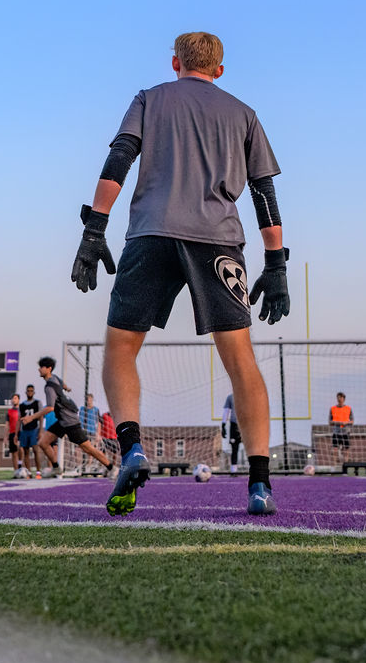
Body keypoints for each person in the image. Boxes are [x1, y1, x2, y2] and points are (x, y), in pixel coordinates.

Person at [70, 32, 288, 516]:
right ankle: (259, 484)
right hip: (218, 240)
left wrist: (94, 229)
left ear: (175, 63)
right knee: (241, 361)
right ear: (220, 70)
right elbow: (264, 195)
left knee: (121, 349)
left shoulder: (150, 98)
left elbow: (119, 159)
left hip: (151, 234)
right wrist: (276, 265)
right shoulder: (243, 112)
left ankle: (131, 448)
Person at [24, 357, 114, 479]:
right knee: (43, 442)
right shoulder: (54, 378)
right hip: (62, 421)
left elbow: (50, 408)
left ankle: (111, 468)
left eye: (41, 367)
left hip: (70, 421)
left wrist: (31, 418)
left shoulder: (49, 387)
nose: (39, 369)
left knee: (87, 448)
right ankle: (56, 468)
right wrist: (67, 388)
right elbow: (63, 384)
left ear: (48, 369)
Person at [18, 383, 43, 478]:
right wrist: (17, 433)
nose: (30, 392)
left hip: (34, 429)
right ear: (26, 392)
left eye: (31, 391)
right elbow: (19, 419)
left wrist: (40, 431)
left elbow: (40, 417)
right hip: (24, 430)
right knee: (26, 452)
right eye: (28, 391)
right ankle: (28, 473)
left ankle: (38, 472)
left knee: (36, 450)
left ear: (34, 392)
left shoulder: (37, 403)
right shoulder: (22, 405)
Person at [78, 393, 103, 475]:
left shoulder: (96, 410)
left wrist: (98, 434)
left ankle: (88, 466)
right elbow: (78, 420)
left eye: (89, 399)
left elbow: (99, 422)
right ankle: (80, 466)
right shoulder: (82, 409)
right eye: (87, 399)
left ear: (92, 400)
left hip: (91, 432)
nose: (88, 400)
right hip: (82, 432)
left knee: (90, 449)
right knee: (79, 449)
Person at [329, 392, 354, 469]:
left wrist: (346, 422)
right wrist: (337, 422)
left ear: (344, 399)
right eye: (338, 397)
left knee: (346, 451)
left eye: (341, 398)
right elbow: (330, 422)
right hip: (336, 432)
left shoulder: (348, 408)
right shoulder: (332, 409)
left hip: (345, 432)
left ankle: (345, 468)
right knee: (334, 451)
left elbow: (352, 421)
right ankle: (334, 468)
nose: (339, 399)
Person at [222, 392, 242, 472]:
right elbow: (226, 410)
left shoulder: (249, 395)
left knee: (251, 448)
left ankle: (255, 469)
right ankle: (234, 470)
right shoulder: (231, 397)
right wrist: (223, 424)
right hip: (234, 425)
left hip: (246, 425)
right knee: (234, 448)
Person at [4, 393, 23, 474]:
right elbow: (7, 425)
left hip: (21, 432)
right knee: (14, 452)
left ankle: (21, 466)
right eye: (13, 398)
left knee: (21, 449)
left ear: (18, 399)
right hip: (12, 433)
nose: (14, 400)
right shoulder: (9, 412)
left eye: (15, 398)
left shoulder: (22, 410)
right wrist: (5, 437)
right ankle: (16, 471)